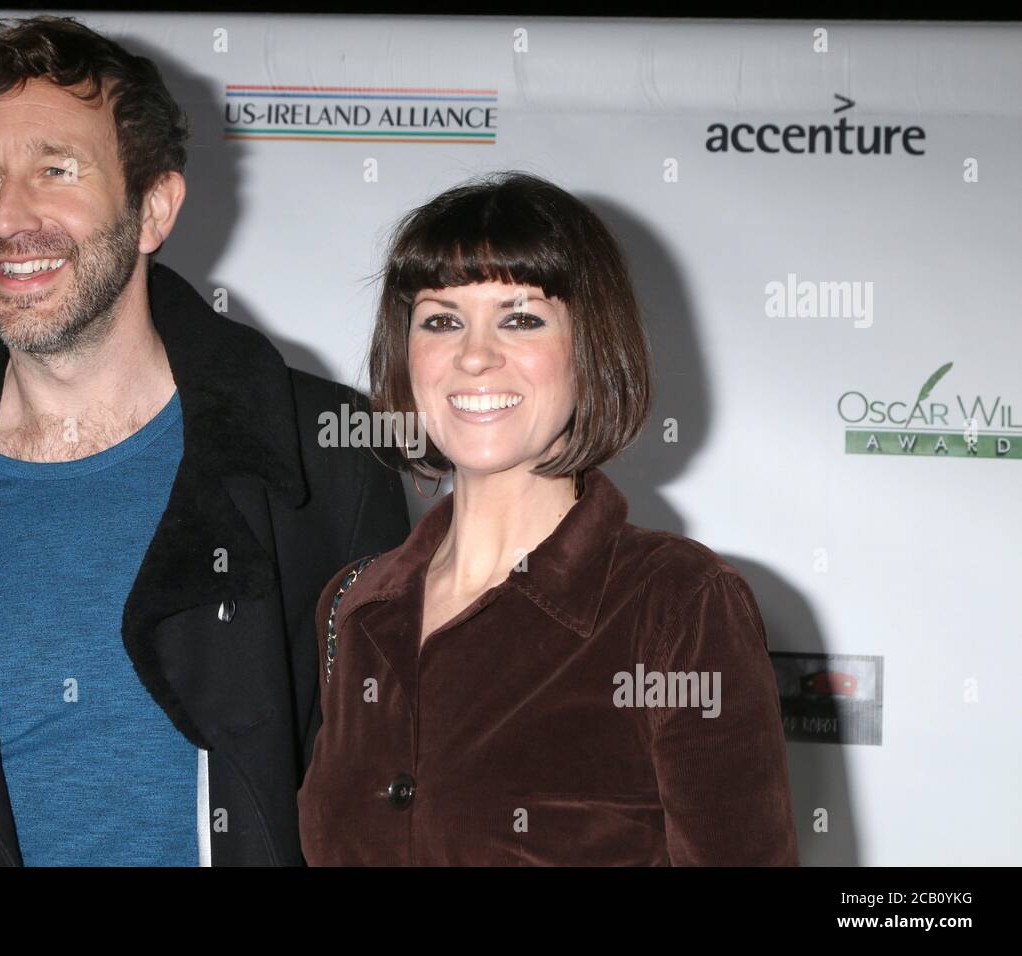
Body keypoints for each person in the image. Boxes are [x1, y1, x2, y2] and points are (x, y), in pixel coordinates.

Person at [0, 15, 408, 866]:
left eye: (56, 169)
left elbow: (393, 800)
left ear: (153, 207)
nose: (11, 216)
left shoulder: (326, 461)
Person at [298, 171, 799, 865]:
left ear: (591, 349)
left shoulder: (676, 606)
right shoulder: (354, 607)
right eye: (441, 319)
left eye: (522, 318)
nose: (474, 355)